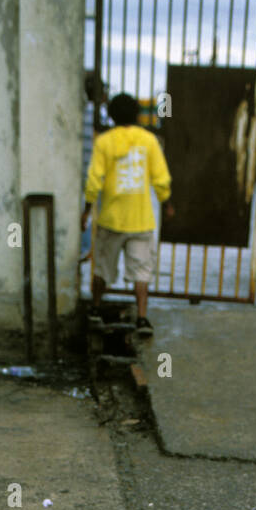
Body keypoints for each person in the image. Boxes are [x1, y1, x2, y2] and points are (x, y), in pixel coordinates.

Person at [81, 92, 174, 337]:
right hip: (141, 220)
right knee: (142, 271)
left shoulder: (104, 142)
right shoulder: (149, 141)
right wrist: (167, 202)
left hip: (111, 219)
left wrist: (87, 209)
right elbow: (161, 178)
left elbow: (94, 180)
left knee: (102, 267)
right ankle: (142, 318)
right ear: (137, 114)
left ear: (111, 116)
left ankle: (96, 309)